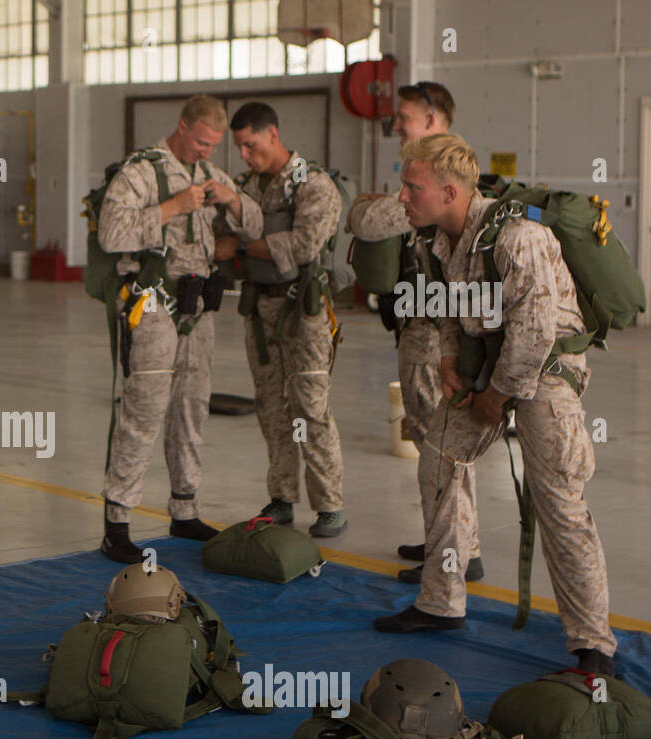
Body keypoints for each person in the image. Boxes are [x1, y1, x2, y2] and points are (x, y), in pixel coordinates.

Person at [372, 135, 617, 677]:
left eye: (413, 187)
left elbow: (532, 336)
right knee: (438, 457)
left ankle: (593, 646)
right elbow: (450, 311)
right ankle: (441, 601)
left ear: (450, 191)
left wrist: (493, 399)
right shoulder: (434, 240)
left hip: (546, 369)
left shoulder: (518, 236)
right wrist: (450, 361)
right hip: (491, 364)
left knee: (558, 501)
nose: (403, 197)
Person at [96, 94, 262, 563]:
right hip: (152, 301)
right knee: (144, 411)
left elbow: (254, 223)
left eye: (214, 145)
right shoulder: (142, 171)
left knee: (192, 408)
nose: (207, 151)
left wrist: (231, 197)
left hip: (200, 305)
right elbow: (112, 234)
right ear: (182, 126)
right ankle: (117, 521)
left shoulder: (213, 176)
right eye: (201, 142)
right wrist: (172, 207)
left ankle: (185, 508)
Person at [348, 81, 484, 583]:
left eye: (404, 117)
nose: (397, 125)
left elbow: (368, 220)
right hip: (420, 323)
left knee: (442, 446)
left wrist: (367, 206)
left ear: (432, 119)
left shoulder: (447, 175)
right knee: (435, 446)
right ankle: (446, 542)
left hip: (436, 333)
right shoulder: (425, 174)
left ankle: (456, 553)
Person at [214, 102, 346, 538]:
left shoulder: (313, 182)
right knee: (271, 407)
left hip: (302, 311)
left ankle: (329, 505)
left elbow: (306, 243)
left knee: (310, 406)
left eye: (251, 145)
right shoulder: (246, 185)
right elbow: (222, 233)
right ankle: (282, 497)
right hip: (260, 310)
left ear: (273, 134)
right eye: (240, 149)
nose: (246, 156)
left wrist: (244, 248)